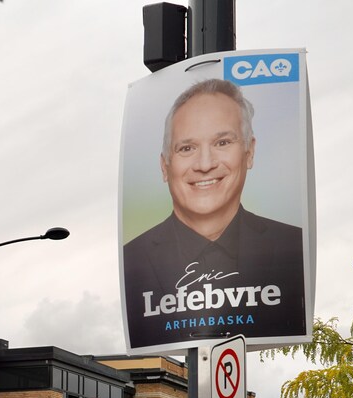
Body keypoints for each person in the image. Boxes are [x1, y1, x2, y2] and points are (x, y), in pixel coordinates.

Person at [122, 78, 306, 350]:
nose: (205, 164)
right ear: (164, 166)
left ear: (250, 151)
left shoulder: (293, 247)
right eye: (187, 148)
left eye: (222, 142)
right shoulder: (133, 259)